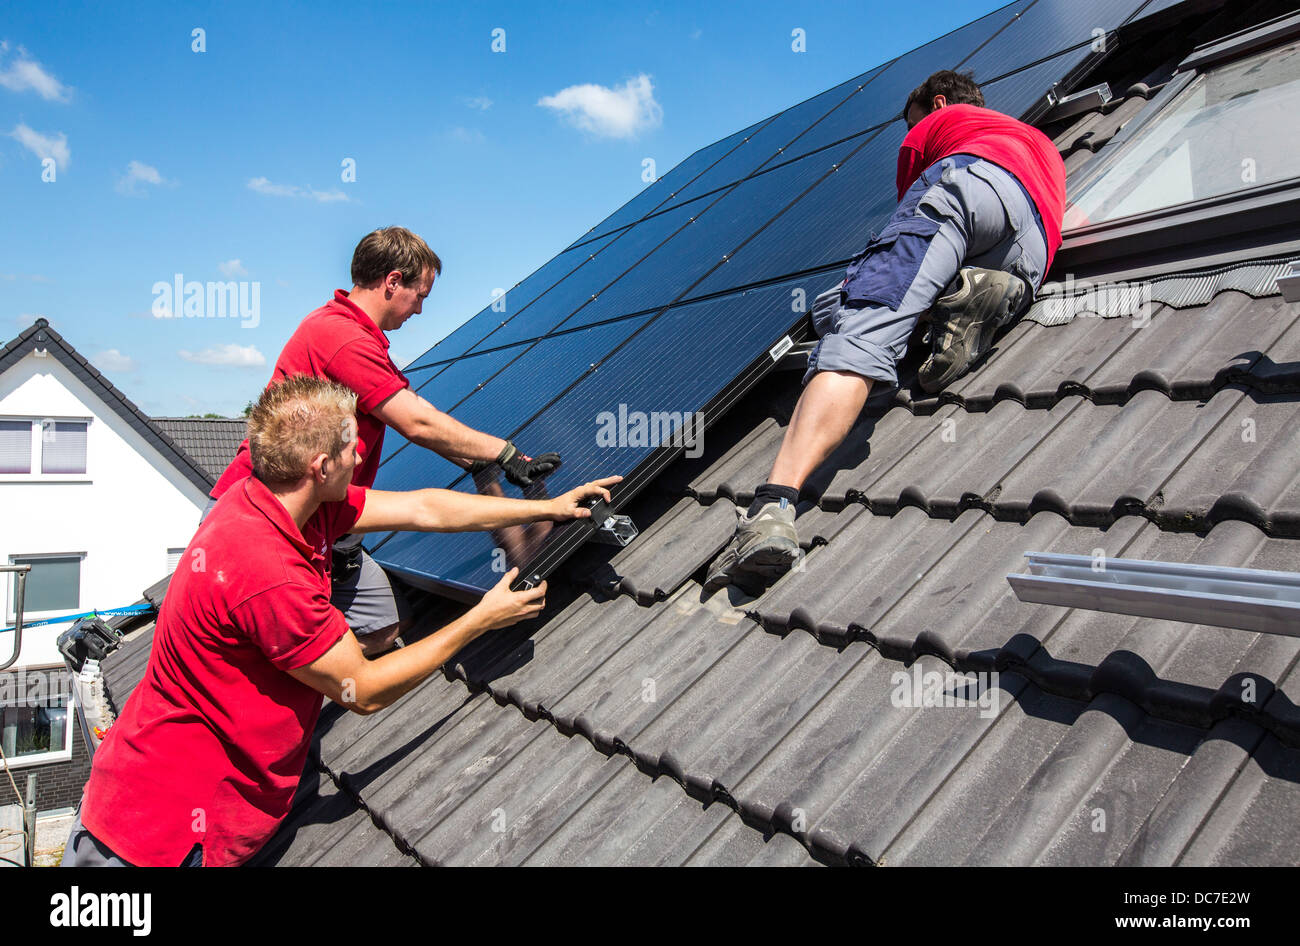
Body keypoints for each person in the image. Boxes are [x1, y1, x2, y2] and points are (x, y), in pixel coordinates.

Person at [64, 375, 621, 866]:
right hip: (160, 841)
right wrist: (482, 617)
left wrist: (548, 507)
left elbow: (424, 508)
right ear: (321, 466)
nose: (363, 455)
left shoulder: (275, 499)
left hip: (153, 800)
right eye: (354, 446)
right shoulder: (268, 572)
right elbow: (366, 688)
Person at [706, 70, 1066, 594]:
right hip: (1033, 244)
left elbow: (912, 219)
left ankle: (772, 507)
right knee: (931, 283)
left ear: (938, 103)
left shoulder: (939, 127)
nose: (909, 134)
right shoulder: (1039, 143)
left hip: (968, 189)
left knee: (865, 317)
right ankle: (970, 295)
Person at [207, 226, 561, 656]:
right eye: (421, 295)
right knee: (261, 649)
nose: (421, 309)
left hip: (333, 519)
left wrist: (475, 462)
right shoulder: (340, 336)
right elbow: (416, 422)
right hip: (270, 512)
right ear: (393, 281)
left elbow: (413, 413)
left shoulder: (360, 340)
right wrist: (503, 452)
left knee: (386, 625)